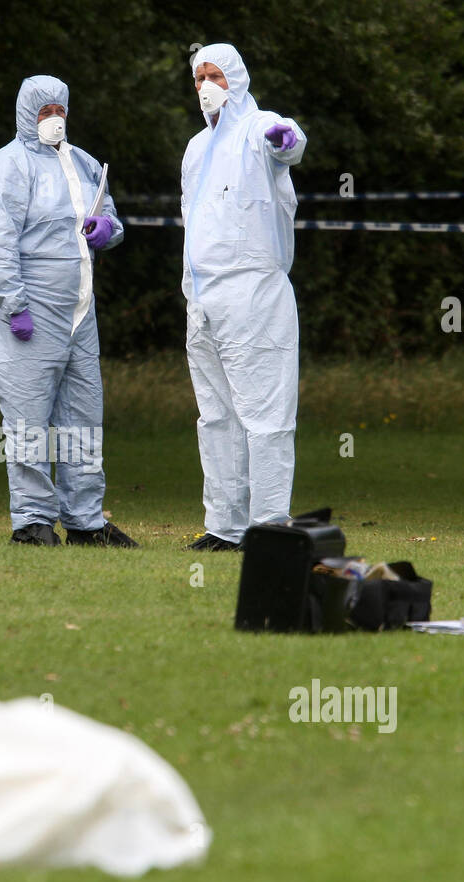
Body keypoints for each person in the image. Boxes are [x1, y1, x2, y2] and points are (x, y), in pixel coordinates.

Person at [0, 75, 139, 548]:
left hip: (79, 312)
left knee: (82, 418)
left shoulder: (83, 162)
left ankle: (86, 520)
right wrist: (13, 303)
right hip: (29, 310)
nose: (54, 119)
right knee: (28, 419)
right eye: (44, 111)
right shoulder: (7, 166)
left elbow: (111, 217)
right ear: (26, 113)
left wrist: (105, 228)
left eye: (60, 110)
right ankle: (31, 520)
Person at [181, 44, 307, 552]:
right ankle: (224, 527)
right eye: (198, 77)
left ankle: (269, 527)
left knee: (266, 415)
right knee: (215, 418)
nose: (207, 85)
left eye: (216, 76)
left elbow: (289, 142)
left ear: (236, 79)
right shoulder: (194, 149)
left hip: (253, 291)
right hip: (202, 296)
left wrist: (287, 137)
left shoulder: (259, 129)